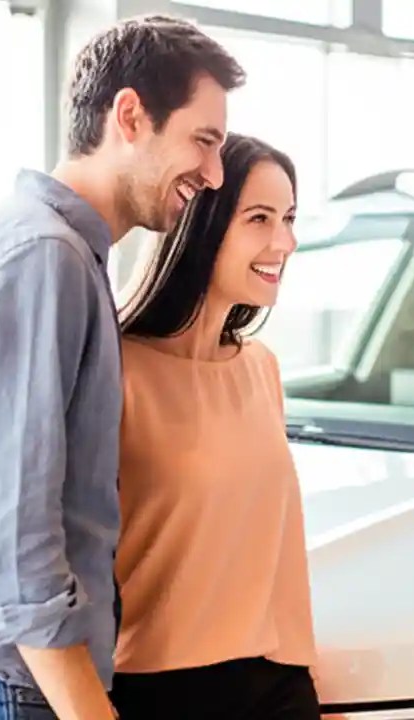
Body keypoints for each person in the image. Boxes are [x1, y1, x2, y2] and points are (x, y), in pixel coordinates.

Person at [0, 15, 244, 720]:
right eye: (203, 142)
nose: (212, 176)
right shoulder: (42, 258)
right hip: (0, 687)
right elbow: (19, 544)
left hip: (0, 683)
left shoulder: (60, 253)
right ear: (129, 116)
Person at [107, 134, 317, 719]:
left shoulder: (260, 368)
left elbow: (276, 556)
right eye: (259, 219)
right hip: (152, 694)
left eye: (289, 218)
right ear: (201, 225)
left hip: (278, 688)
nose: (285, 242)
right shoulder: (116, 369)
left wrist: (306, 681)